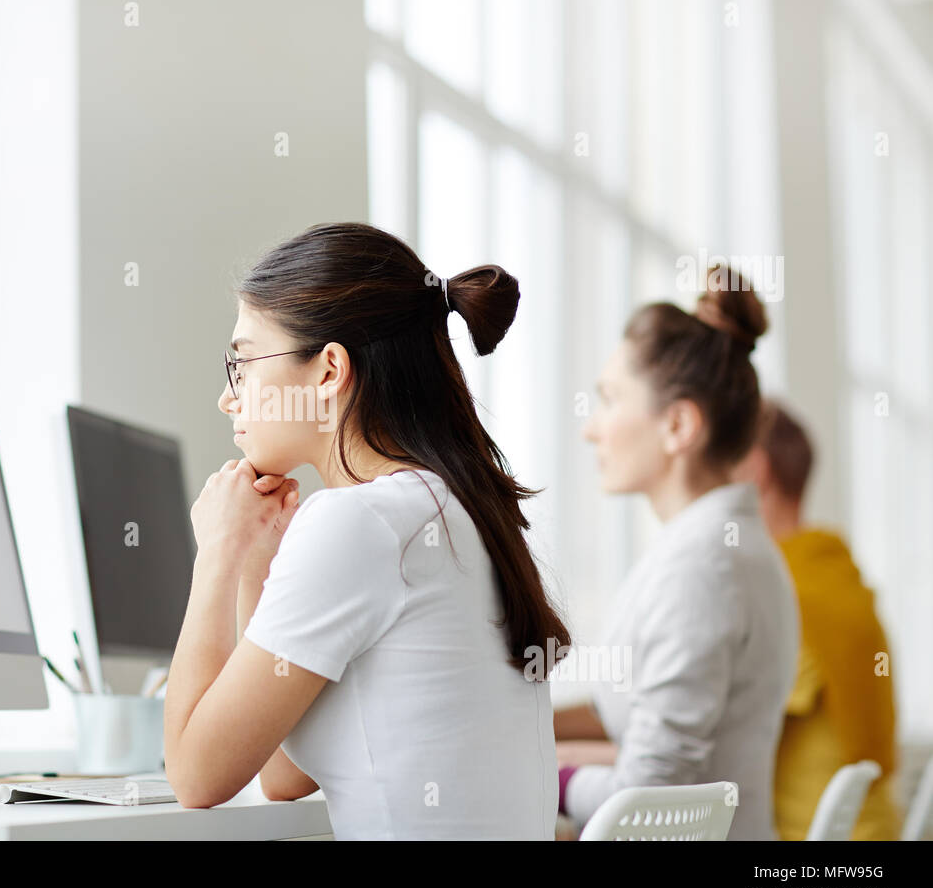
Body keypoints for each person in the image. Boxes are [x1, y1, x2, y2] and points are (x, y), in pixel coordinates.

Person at [162, 222, 572, 839]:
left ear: (328, 371)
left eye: (242, 363)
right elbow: (282, 775)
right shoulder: (454, 507)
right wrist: (255, 563)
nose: (228, 396)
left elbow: (196, 776)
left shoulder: (360, 523)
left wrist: (216, 553)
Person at [554, 265, 800, 840]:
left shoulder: (703, 569)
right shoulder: (718, 549)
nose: (592, 430)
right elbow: (640, 712)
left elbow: (648, 798)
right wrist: (525, 723)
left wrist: (547, 773)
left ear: (678, 426)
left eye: (610, 400)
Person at [732, 399, 901, 840]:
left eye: (720, 458)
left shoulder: (785, 591)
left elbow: (713, 721)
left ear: (754, 469)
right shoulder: (834, 576)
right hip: (881, 827)